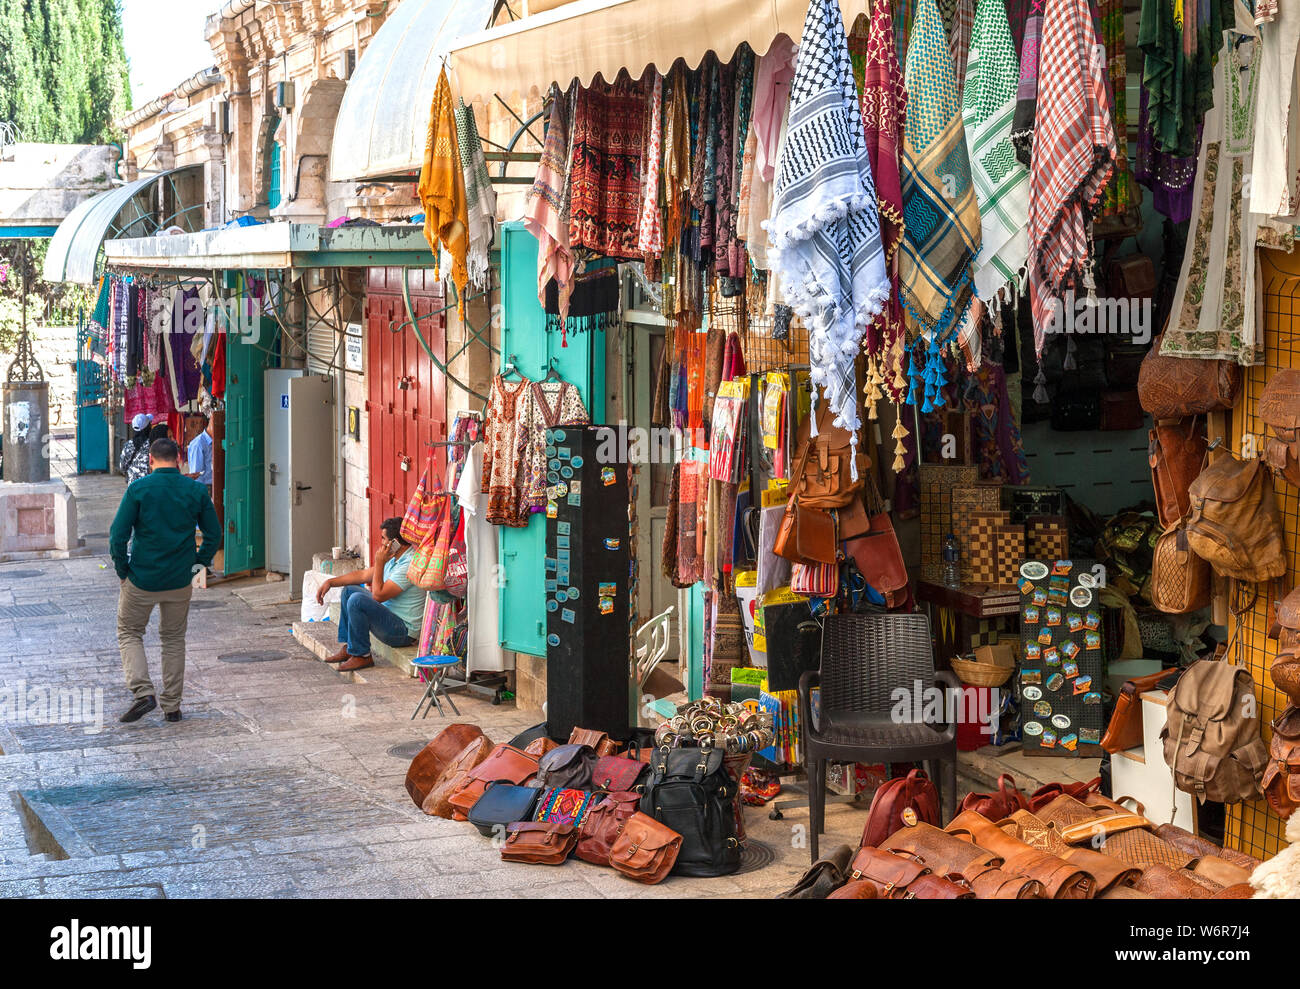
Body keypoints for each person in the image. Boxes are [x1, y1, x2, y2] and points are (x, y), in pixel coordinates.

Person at [109, 437, 222, 723]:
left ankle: (143, 692)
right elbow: (214, 535)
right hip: (180, 578)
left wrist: (123, 571)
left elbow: (117, 536)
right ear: (179, 458)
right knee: (173, 639)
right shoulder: (195, 490)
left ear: (150, 460)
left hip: (142, 577)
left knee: (129, 632)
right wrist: (198, 565)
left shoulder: (138, 489)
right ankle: (172, 706)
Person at [316, 517, 425, 671]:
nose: (381, 543)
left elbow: (378, 596)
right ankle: (350, 647)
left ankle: (362, 656)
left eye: (383, 539)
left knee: (357, 600)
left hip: (402, 632)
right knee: (349, 590)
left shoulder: (409, 564)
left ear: (395, 543)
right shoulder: (394, 558)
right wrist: (331, 582)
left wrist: (379, 563)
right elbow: (362, 575)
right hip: (389, 617)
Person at [119, 413, 153, 484]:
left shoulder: (128, 445)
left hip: (133, 483)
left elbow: (122, 467)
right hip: (150, 482)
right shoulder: (153, 444)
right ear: (148, 427)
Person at [186, 413, 214, 497]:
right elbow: (196, 474)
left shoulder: (212, 441)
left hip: (212, 484)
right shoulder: (198, 444)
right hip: (205, 487)